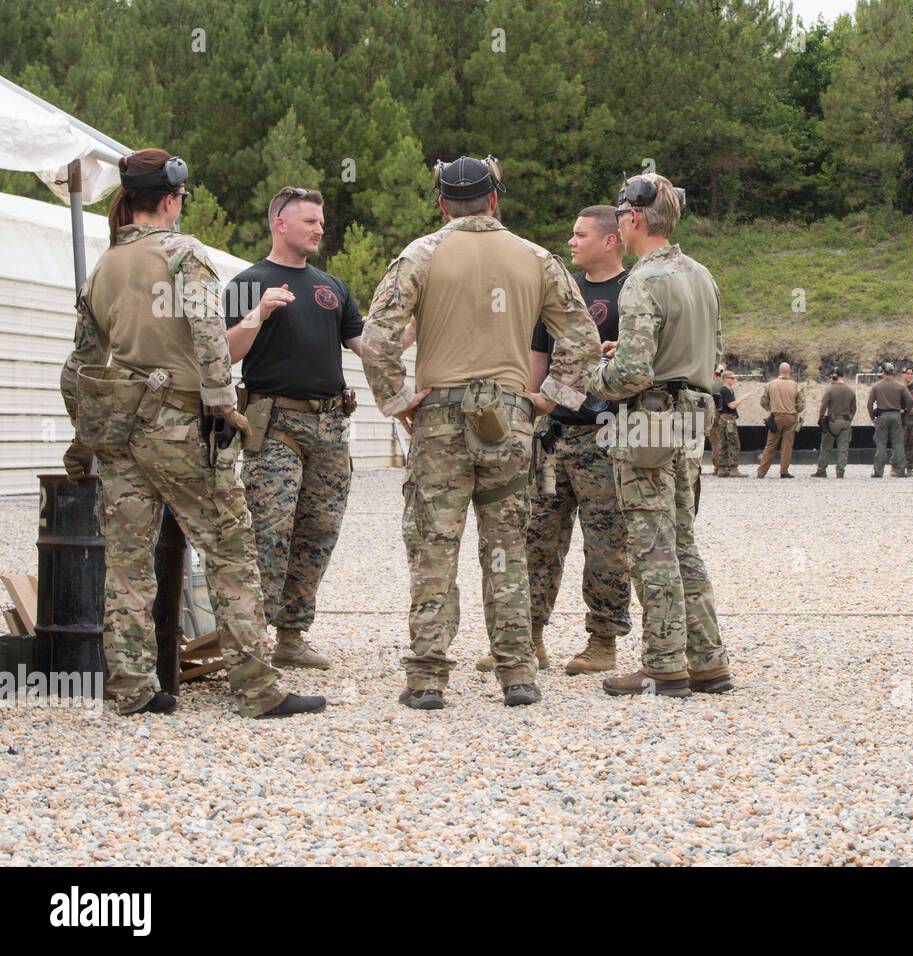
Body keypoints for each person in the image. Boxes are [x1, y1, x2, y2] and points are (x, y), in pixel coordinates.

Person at [59, 149, 323, 718]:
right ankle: (257, 686)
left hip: (120, 431)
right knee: (230, 549)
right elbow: (209, 335)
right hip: (178, 427)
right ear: (173, 200)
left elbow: (78, 364)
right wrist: (224, 409)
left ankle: (132, 687)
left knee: (127, 562)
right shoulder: (183, 253)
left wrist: (83, 440)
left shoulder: (104, 267)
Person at [360, 155, 600, 710]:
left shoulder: (421, 255)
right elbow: (583, 340)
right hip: (510, 420)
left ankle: (426, 677)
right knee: (507, 546)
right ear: (495, 199)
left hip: (438, 417)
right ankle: (517, 673)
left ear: (443, 203)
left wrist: (398, 400)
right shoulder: (536, 259)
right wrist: (549, 399)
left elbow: (376, 339)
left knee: (433, 547)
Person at [587, 172, 733, 697]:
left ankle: (663, 664)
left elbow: (630, 373)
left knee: (652, 547)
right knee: (685, 542)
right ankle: (709, 661)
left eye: (622, 217)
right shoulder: (701, 275)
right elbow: (710, 354)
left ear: (633, 219)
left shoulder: (642, 280)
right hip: (692, 418)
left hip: (649, 422)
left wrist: (593, 373)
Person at [475, 204, 632, 677]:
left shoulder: (634, 292)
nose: (571, 242)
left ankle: (603, 640)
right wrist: (526, 410)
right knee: (537, 539)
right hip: (553, 436)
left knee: (606, 542)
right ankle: (529, 638)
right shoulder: (560, 293)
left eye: (580, 234)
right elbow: (536, 361)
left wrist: (555, 396)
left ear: (609, 240)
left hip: (605, 435)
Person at [222, 187, 364, 670]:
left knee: (318, 531)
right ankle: (253, 640)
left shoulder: (332, 287)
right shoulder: (248, 282)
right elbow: (227, 353)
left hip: (330, 426)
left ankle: (292, 634)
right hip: (276, 424)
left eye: (321, 221)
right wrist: (258, 313)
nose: (319, 228)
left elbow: (366, 345)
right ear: (279, 224)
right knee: (269, 530)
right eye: (309, 221)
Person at [756, 362, 803, 478]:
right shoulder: (796, 385)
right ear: (790, 371)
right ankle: (784, 472)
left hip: (776, 417)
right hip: (791, 418)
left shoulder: (770, 384)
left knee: (770, 445)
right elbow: (801, 403)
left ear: (779, 371)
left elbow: (763, 401)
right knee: (787, 446)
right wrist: (795, 410)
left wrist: (771, 409)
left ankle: (761, 472)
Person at [867, 363, 913, 478]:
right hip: (896, 415)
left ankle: (878, 471)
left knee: (881, 444)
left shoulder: (876, 387)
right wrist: (906, 412)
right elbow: (910, 400)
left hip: (882, 416)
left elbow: (869, 404)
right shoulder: (900, 386)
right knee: (898, 444)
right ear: (893, 372)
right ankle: (901, 471)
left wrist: (873, 417)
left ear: (883, 372)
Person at [812, 368, 856, 478]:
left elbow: (823, 406)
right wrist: (849, 419)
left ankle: (821, 470)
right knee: (843, 449)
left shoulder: (830, 390)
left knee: (826, 447)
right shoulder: (850, 391)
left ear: (833, 377)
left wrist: (821, 418)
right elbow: (854, 409)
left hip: (832, 422)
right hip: (845, 422)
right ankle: (840, 472)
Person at [714, 369, 750, 476]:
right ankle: (733, 468)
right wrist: (742, 399)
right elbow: (731, 405)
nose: (734, 379)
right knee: (733, 443)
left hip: (725, 419)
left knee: (724, 443)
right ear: (725, 379)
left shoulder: (727, 390)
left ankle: (722, 468)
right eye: (732, 378)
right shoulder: (725, 391)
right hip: (728, 420)